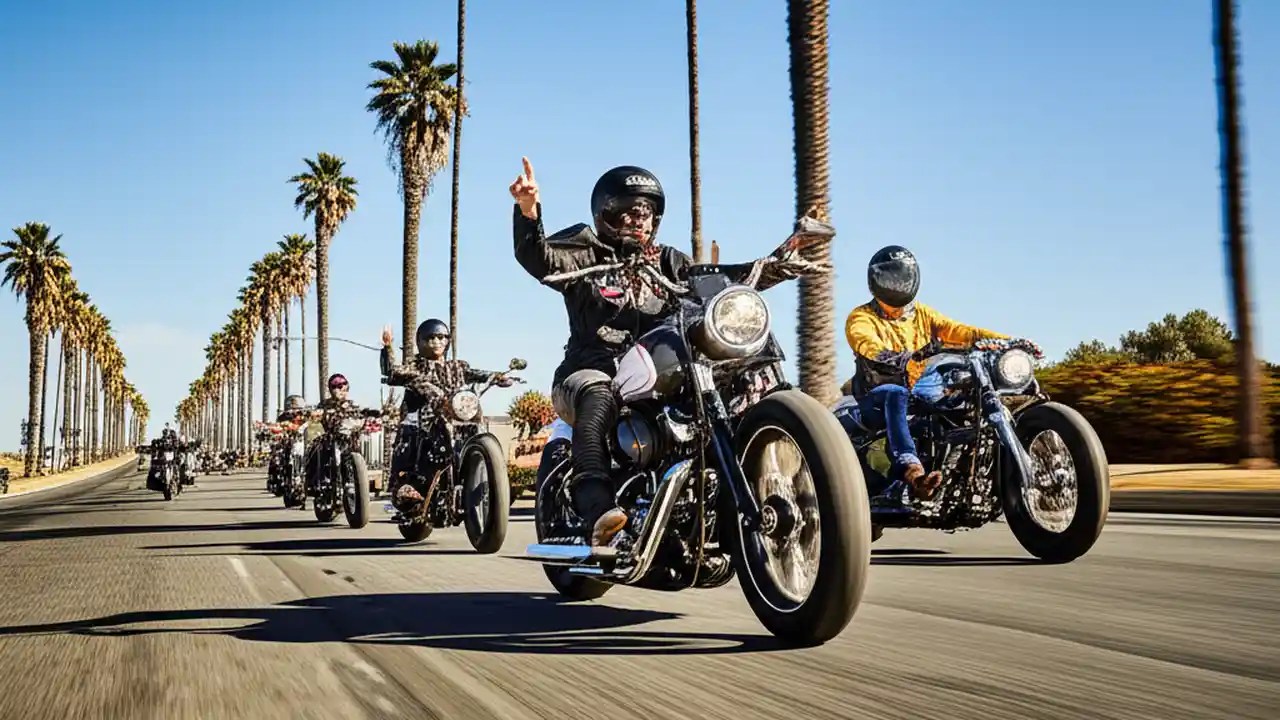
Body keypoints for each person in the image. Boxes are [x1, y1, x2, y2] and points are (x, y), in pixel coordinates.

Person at [510, 156, 827, 547]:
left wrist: (781, 259)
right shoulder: (585, 253)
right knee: (599, 395)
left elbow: (723, 278)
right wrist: (528, 211)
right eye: (626, 213)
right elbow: (539, 257)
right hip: (591, 369)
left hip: (659, 372)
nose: (637, 221)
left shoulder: (670, 262)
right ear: (605, 214)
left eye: (645, 213)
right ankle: (597, 508)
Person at [843, 245, 1040, 499]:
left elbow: (963, 332)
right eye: (891, 279)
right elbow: (865, 342)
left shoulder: (922, 314)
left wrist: (1010, 342)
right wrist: (896, 358)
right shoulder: (861, 317)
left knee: (965, 395)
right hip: (877, 395)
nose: (898, 285)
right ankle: (912, 470)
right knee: (896, 393)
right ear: (876, 282)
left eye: (903, 279)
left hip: (922, 390)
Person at [379, 319, 513, 508]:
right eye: (431, 338)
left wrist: (498, 376)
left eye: (441, 337)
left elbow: (477, 373)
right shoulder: (415, 365)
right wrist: (387, 348)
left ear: (447, 341)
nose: (436, 342)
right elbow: (393, 372)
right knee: (408, 435)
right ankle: (403, 486)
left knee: (475, 427)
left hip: (457, 414)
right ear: (421, 341)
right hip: (424, 419)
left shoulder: (458, 366)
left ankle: (485, 475)